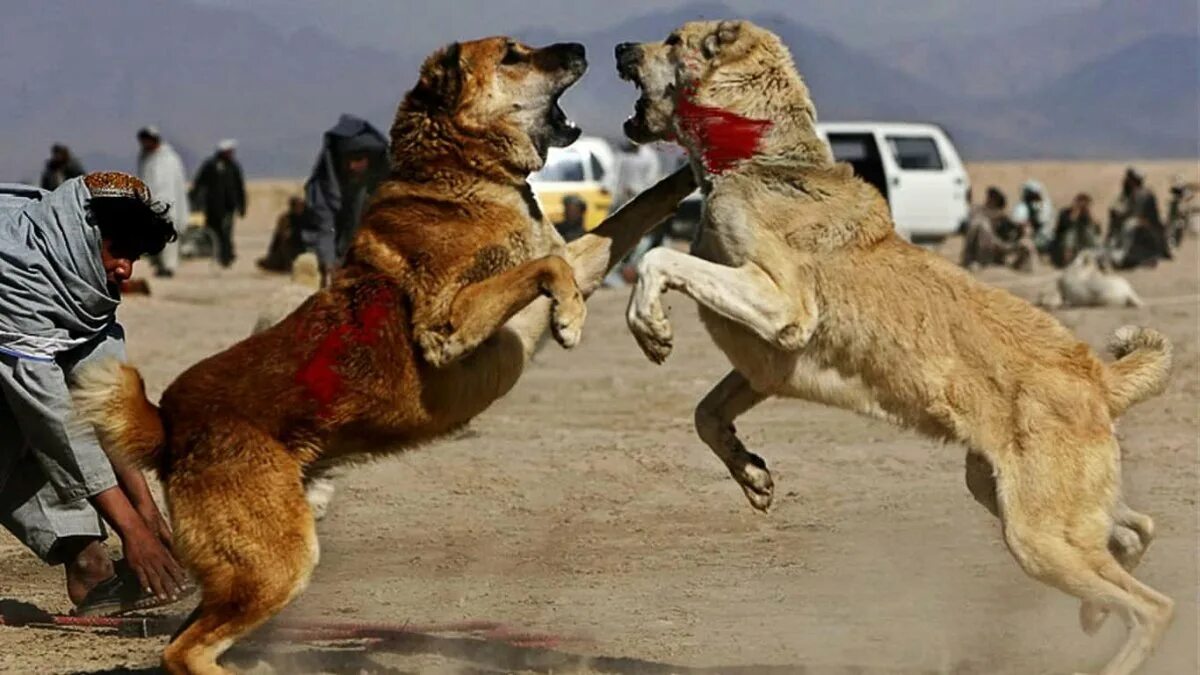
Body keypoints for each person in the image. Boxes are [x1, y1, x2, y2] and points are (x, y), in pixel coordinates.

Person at [0, 172, 187, 615]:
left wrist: (148, 515)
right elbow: (53, 418)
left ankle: (87, 563)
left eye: (134, 257)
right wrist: (132, 533)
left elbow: (95, 399)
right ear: (86, 236)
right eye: (118, 251)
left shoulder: (76, 280)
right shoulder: (15, 273)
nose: (125, 270)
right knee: (31, 418)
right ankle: (86, 555)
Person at [302, 114, 389, 280]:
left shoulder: (385, 185)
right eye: (347, 160)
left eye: (358, 159)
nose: (352, 166)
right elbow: (323, 225)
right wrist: (329, 263)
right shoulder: (325, 186)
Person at [136, 126, 189, 278]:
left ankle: (169, 267)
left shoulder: (169, 159)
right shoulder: (145, 158)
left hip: (168, 204)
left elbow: (175, 186)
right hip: (149, 204)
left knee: (168, 236)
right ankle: (159, 266)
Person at [191, 139, 247, 269]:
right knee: (214, 232)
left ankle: (226, 257)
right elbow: (199, 183)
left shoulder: (233, 167)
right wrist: (194, 199)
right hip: (212, 206)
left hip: (228, 207)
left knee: (226, 232)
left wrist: (241, 206)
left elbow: (239, 187)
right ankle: (215, 254)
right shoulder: (210, 165)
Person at [1108, 167, 1171, 269]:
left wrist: (1121, 216)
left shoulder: (1142, 194)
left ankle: (1124, 257)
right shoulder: (1132, 193)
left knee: (1129, 225)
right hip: (1143, 226)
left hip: (1148, 228)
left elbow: (1138, 215)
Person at [256, 196, 313, 273]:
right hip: (288, 251)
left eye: (300, 206)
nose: (298, 208)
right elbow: (277, 238)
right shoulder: (286, 219)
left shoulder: (310, 218)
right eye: (296, 206)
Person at [1051, 192, 1101, 268]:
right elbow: (1064, 228)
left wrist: (1091, 215)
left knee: (1090, 232)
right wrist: (1075, 212)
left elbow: (1098, 231)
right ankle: (1067, 262)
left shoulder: (1087, 216)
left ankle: (1096, 260)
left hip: (1083, 244)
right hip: (1064, 245)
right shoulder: (1065, 213)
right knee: (1070, 232)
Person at [1011, 179, 1053, 253]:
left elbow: (1042, 222)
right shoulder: (1023, 206)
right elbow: (1017, 221)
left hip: (1042, 238)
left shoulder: (1044, 206)